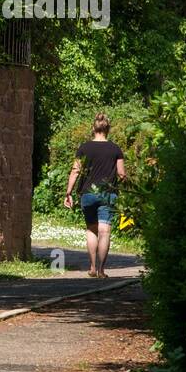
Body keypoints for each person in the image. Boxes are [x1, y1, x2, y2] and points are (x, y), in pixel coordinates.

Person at [64, 112, 126, 278]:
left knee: (92, 230)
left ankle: (92, 267)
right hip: (108, 193)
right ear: (108, 129)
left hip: (88, 194)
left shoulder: (84, 148)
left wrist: (68, 192)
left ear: (94, 128)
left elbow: (75, 170)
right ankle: (101, 270)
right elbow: (121, 174)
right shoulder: (115, 149)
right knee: (105, 232)